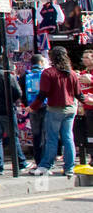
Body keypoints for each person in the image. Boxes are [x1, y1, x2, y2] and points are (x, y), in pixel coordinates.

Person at [28, 45, 79, 177]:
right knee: (68, 138)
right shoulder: (72, 73)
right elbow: (78, 94)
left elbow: (43, 94)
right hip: (71, 108)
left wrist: (32, 106)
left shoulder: (48, 73)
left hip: (55, 109)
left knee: (51, 138)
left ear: (51, 58)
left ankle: (45, 166)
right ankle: (69, 168)